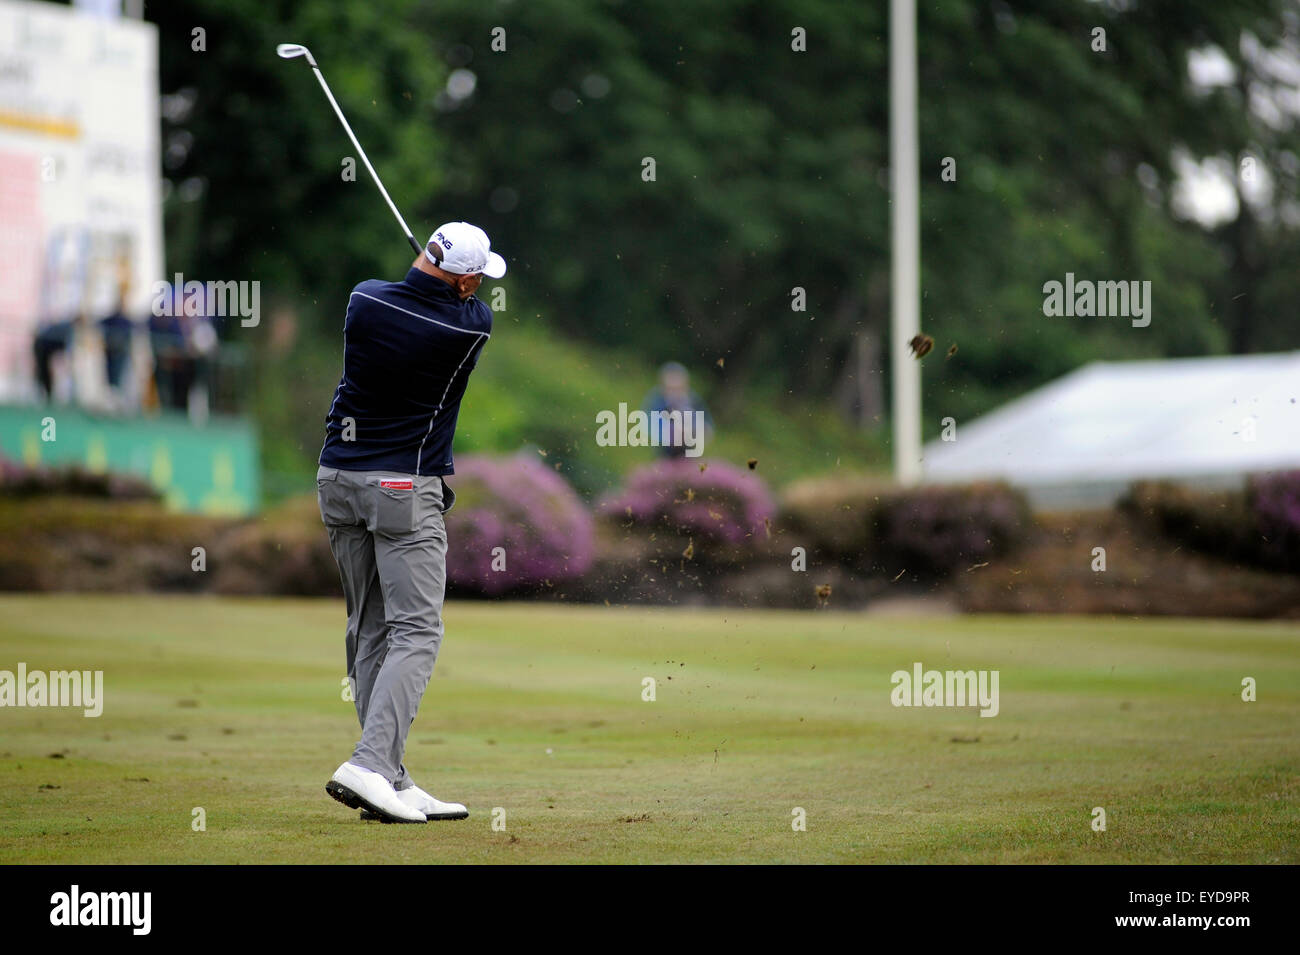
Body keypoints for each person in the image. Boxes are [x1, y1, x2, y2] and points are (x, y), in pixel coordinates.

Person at [316, 221, 504, 824]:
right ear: (466, 282)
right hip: (402, 487)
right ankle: (370, 765)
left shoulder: (364, 300)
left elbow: (406, 290)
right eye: (478, 280)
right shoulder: (469, 326)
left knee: (369, 627)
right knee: (417, 630)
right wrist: (444, 282)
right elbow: (461, 305)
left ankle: (389, 778)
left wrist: (427, 269)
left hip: (337, 479)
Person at [643, 361, 713, 458]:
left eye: (679, 388)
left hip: (691, 454)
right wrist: (671, 433)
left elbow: (708, 428)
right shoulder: (657, 401)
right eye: (671, 389)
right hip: (665, 455)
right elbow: (649, 427)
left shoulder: (694, 401)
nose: (675, 394)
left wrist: (695, 431)